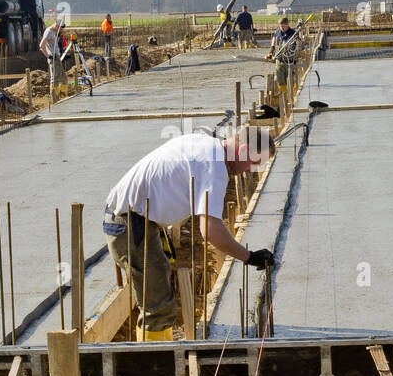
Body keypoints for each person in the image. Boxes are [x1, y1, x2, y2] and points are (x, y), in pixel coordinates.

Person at [104, 126, 277, 339]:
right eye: (254, 163)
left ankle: (160, 352)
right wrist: (248, 257)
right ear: (242, 150)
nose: (251, 170)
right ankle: (154, 365)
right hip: (130, 223)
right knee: (158, 306)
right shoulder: (214, 168)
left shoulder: (208, 146)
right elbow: (210, 229)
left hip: (137, 218)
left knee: (158, 295)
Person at [39, 20, 66, 98]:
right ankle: (55, 98)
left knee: (64, 79)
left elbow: (55, 43)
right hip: (53, 57)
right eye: (60, 29)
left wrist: (58, 35)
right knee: (55, 78)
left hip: (57, 56)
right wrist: (48, 56)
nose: (60, 30)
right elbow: (41, 46)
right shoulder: (49, 31)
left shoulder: (54, 32)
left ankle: (62, 97)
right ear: (56, 26)